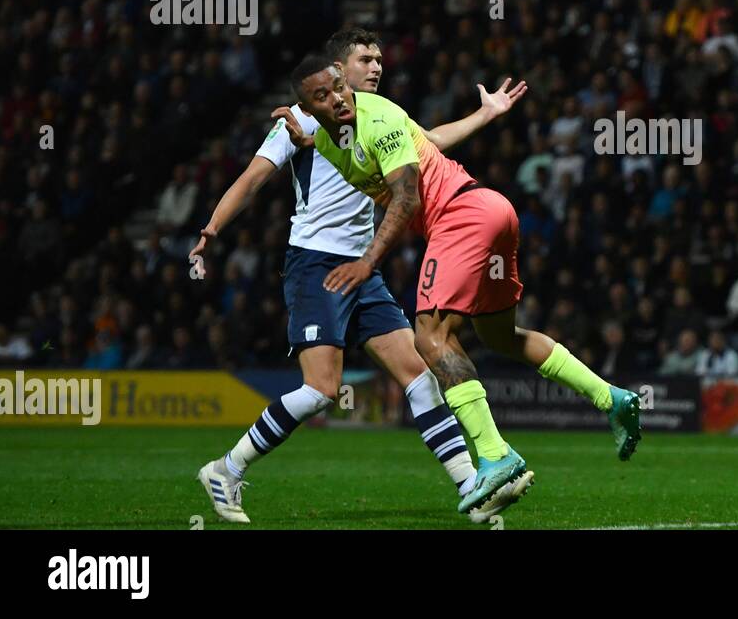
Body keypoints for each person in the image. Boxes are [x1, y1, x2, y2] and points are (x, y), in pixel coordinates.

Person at [192, 28, 530, 524]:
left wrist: (487, 114)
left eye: (378, 60)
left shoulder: (380, 114)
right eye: (364, 60)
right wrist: (212, 229)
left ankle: (473, 487)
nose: (375, 67)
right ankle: (227, 468)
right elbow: (252, 178)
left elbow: (430, 142)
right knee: (321, 391)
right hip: (316, 265)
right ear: (336, 70)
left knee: (419, 374)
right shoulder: (304, 119)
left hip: (361, 267)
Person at [280, 51, 642, 513]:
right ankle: (610, 397)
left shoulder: (380, 116)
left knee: (428, 338)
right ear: (309, 111)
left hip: (460, 217)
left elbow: (407, 198)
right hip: (492, 212)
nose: (339, 98)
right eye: (323, 96)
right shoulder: (329, 142)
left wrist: (368, 261)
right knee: (501, 336)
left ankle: (494, 454)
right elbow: (425, 140)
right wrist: (305, 142)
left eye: (339, 86)